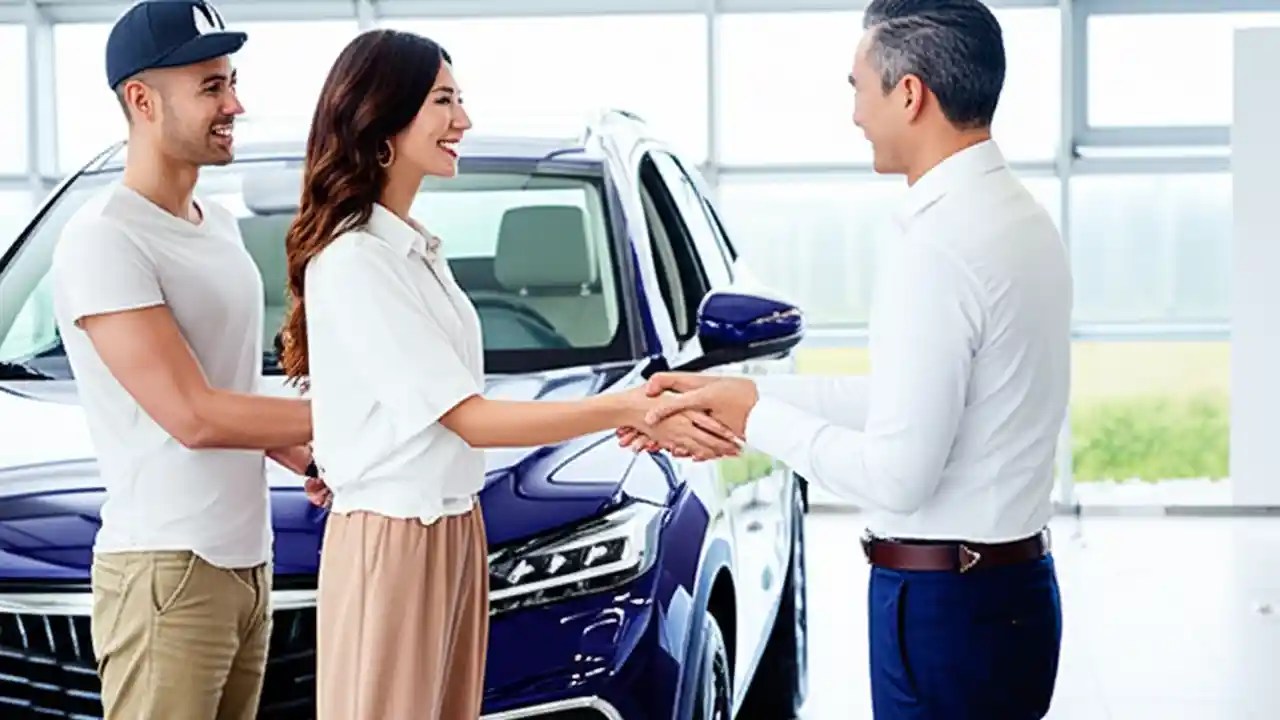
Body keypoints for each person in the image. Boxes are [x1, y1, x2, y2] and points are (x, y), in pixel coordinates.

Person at [626, 1, 1071, 718]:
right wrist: (737, 397)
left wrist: (756, 415)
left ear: (910, 93)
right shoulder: (1018, 217)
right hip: (1004, 597)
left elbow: (897, 475)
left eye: (859, 88)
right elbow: (909, 403)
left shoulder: (939, 245)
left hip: (945, 614)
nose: (856, 114)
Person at [280, 28, 738, 720]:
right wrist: (626, 408)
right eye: (443, 101)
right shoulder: (355, 261)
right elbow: (469, 417)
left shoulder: (413, 251)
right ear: (382, 121)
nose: (463, 119)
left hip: (452, 527)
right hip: (398, 535)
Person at [48, 2, 318, 717]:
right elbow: (194, 415)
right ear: (142, 100)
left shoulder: (217, 226)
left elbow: (231, 389)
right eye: (211, 88)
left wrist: (310, 456)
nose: (235, 106)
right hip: (168, 571)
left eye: (232, 83)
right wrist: (363, 414)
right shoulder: (105, 238)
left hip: (247, 562)